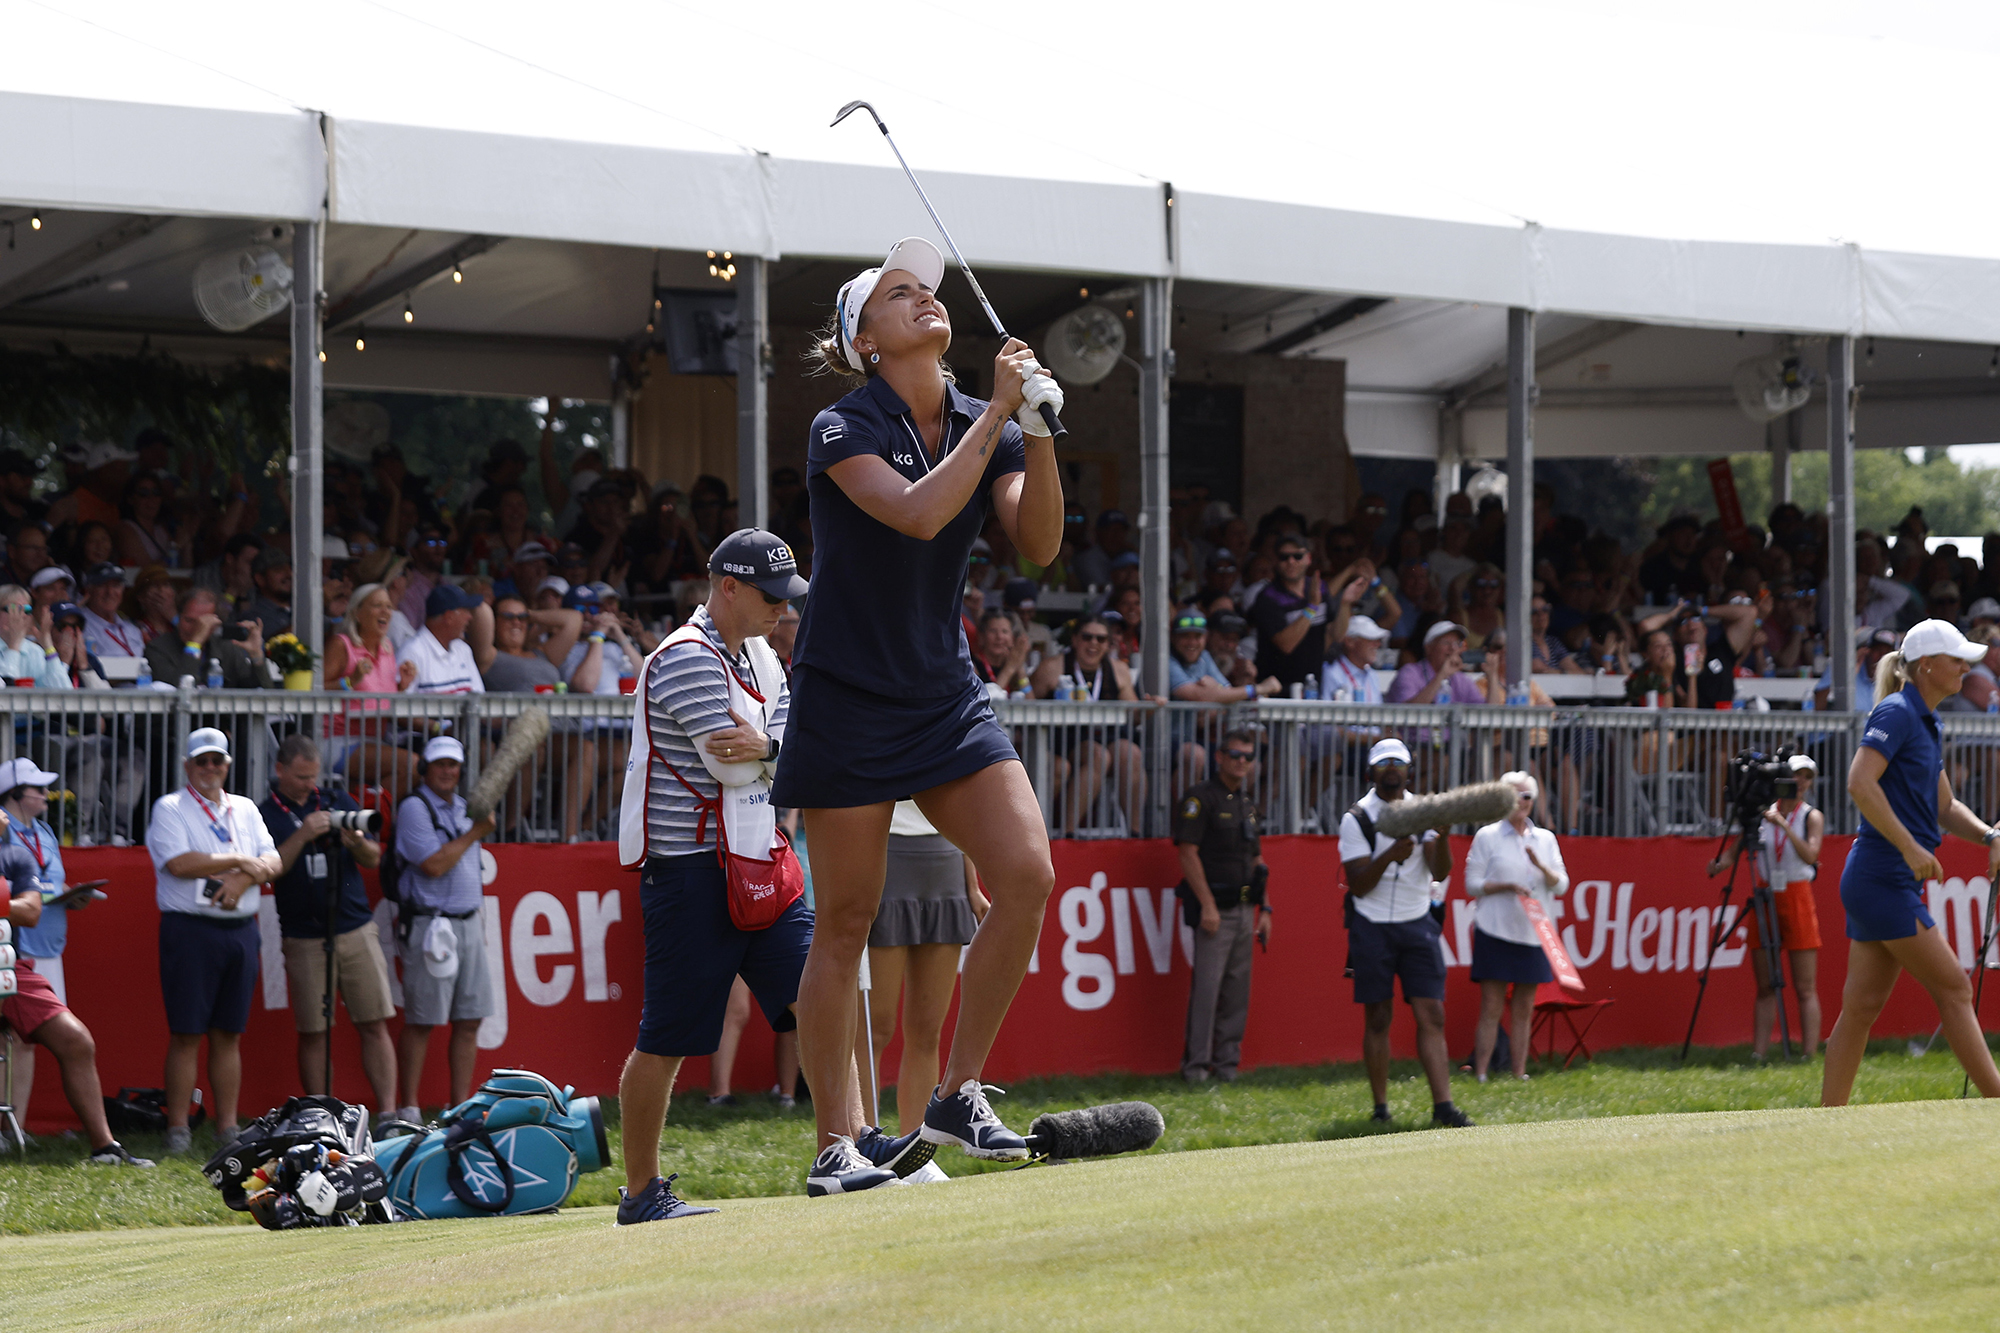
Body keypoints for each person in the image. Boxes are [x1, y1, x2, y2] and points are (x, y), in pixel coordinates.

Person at [775, 236, 1063, 1193]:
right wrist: (1001, 419)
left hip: (943, 693)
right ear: (868, 340)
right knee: (847, 920)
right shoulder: (839, 425)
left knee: (1027, 872)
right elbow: (920, 512)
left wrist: (1045, 428)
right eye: (900, 295)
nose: (924, 300)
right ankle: (834, 1149)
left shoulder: (994, 420)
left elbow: (1040, 543)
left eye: (929, 291)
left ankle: (957, 1089)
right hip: (848, 694)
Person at [613, 531, 821, 1220]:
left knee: (822, 1005)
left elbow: (792, 730)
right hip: (690, 872)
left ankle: (845, 1150)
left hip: (762, 857)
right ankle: (640, 1192)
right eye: (770, 598)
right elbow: (731, 763)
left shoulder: (759, 653)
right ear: (727, 586)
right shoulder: (681, 657)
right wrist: (777, 747)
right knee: (667, 1039)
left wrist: (770, 743)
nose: (781, 613)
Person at [1823, 619, 2000, 1106]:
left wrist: (1989, 834)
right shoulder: (1898, 711)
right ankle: (1996, 1101)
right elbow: (1860, 782)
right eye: (1956, 659)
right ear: (1926, 666)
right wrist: (1909, 846)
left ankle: (1824, 1119)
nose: (1966, 667)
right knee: (1956, 989)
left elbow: (1945, 808)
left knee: (1860, 1008)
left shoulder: (1925, 719)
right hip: (1882, 877)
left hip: (1878, 878)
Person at [146, 728, 282, 1153]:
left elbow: (274, 859)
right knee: (186, 1033)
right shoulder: (170, 807)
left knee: (229, 1033)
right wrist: (243, 859)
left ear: (227, 764)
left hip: (240, 931)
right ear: (187, 765)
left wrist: (243, 878)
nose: (210, 768)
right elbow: (180, 862)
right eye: (201, 761)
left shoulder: (243, 807)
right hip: (191, 930)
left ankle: (227, 1127)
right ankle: (179, 1128)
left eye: (217, 761)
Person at [258, 736, 398, 1123]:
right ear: (280, 770)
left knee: (374, 1021)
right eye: (301, 777)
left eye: (314, 776)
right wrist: (304, 833)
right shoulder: (264, 813)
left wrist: (354, 840)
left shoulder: (337, 800)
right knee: (314, 1031)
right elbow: (269, 869)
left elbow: (373, 857)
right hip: (304, 935)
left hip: (355, 927)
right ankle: (322, 1114)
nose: (309, 785)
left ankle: (388, 1112)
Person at [2, 812, 152, 1166]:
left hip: (8, 963)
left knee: (76, 1040)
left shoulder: (15, 856)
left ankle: (104, 1148)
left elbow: (31, 911)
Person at [1337, 738, 1472, 1127]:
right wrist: (1390, 854)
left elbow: (1441, 871)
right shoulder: (1357, 817)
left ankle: (1444, 1107)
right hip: (1371, 924)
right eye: (1383, 763)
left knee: (1432, 1013)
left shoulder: (1423, 811)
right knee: (1378, 1017)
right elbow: (1359, 884)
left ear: (1409, 770)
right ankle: (1381, 1109)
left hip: (1417, 922)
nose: (1391, 769)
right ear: (1371, 772)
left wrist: (1442, 837)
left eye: (1398, 763)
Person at [864, 800, 986, 1149]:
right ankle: (866, 1148)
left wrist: (972, 884)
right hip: (882, 851)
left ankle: (917, 1154)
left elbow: (963, 804)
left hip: (946, 859)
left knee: (927, 1029)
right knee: (874, 1028)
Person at [393, 736, 497, 1121]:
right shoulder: (414, 809)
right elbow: (434, 865)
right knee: (422, 1020)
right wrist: (475, 831)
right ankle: (409, 1108)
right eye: (440, 764)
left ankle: (460, 1106)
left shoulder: (467, 808)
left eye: (453, 765)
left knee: (469, 1019)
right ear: (425, 768)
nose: (447, 771)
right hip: (430, 923)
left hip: (467, 921)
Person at [1708, 754, 1824, 1060]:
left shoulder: (1810, 816)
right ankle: (1759, 1053)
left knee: (1805, 986)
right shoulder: (1761, 814)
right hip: (1764, 894)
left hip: (1797, 895)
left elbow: (1811, 856)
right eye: (1795, 775)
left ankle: (1808, 1053)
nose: (1800, 782)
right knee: (1765, 984)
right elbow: (1734, 852)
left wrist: (1784, 826)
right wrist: (1718, 865)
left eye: (1806, 777)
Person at [1175, 728, 1271, 1083]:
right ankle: (1196, 1068)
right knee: (1208, 990)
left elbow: (1258, 860)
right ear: (1219, 757)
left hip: (1246, 909)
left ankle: (1226, 1066)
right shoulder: (1201, 798)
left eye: (1248, 756)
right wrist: (1208, 906)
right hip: (1217, 910)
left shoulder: (1247, 805)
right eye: (1235, 755)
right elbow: (1187, 853)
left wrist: (1267, 910)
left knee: (1236, 992)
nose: (1241, 762)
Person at [1463, 771, 1570, 1081]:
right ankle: (1482, 1072)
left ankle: (1518, 1074)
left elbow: (1561, 885)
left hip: (1533, 933)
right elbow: (1472, 885)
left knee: (1524, 1008)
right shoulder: (1487, 836)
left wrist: (1542, 868)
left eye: (1525, 797)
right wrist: (1506, 885)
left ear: (1533, 801)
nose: (1520, 802)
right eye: (1513, 796)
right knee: (1492, 1006)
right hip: (1495, 930)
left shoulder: (1546, 839)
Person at [141, 586, 269, 690]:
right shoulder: (158, 648)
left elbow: (263, 696)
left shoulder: (228, 648)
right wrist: (194, 644)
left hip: (221, 721)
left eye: (203, 623)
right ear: (179, 617)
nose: (195, 629)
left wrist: (256, 656)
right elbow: (178, 692)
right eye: (189, 620)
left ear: (215, 625)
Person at [400, 583, 487, 696]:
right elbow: (402, 708)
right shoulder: (412, 652)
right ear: (449, 617)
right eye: (465, 611)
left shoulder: (463, 649)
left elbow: (479, 698)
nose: (469, 617)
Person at [242, 548, 293, 639]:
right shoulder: (253, 616)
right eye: (279, 570)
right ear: (260, 579)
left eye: (290, 568)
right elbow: (269, 646)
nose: (289, 574)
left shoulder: (301, 606)